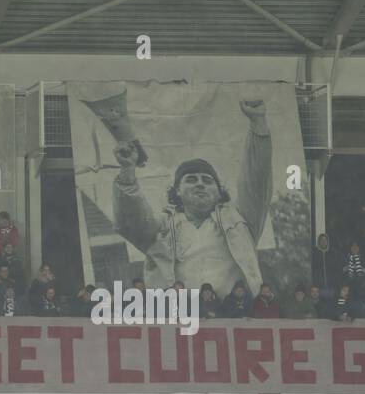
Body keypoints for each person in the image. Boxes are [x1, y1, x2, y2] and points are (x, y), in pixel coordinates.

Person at [112, 98, 272, 298]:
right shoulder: (162, 228)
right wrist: (127, 170)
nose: (200, 183)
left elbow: (257, 180)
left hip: (232, 316)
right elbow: (132, 222)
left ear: (219, 191)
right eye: (191, 179)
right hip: (177, 317)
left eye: (207, 180)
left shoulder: (241, 221)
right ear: (177, 191)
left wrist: (258, 124)